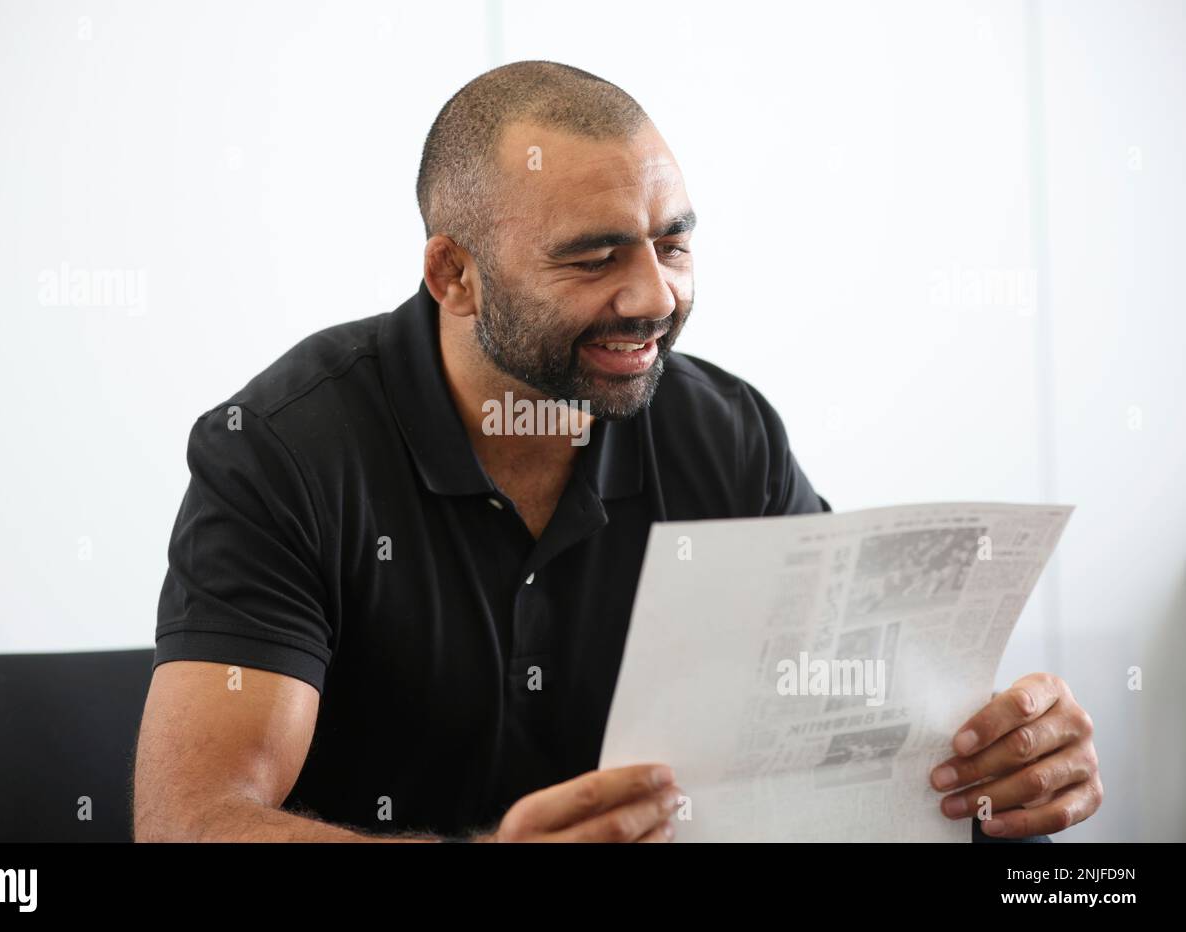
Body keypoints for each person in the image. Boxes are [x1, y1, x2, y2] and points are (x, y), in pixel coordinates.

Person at [132, 61, 1101, 843]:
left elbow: (833, 744)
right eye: (593, 257)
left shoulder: (725, 433)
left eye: (672, 245)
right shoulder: (283, 450)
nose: (652, 297)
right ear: (453, 273)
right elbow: (189, 820)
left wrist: (990, 764)